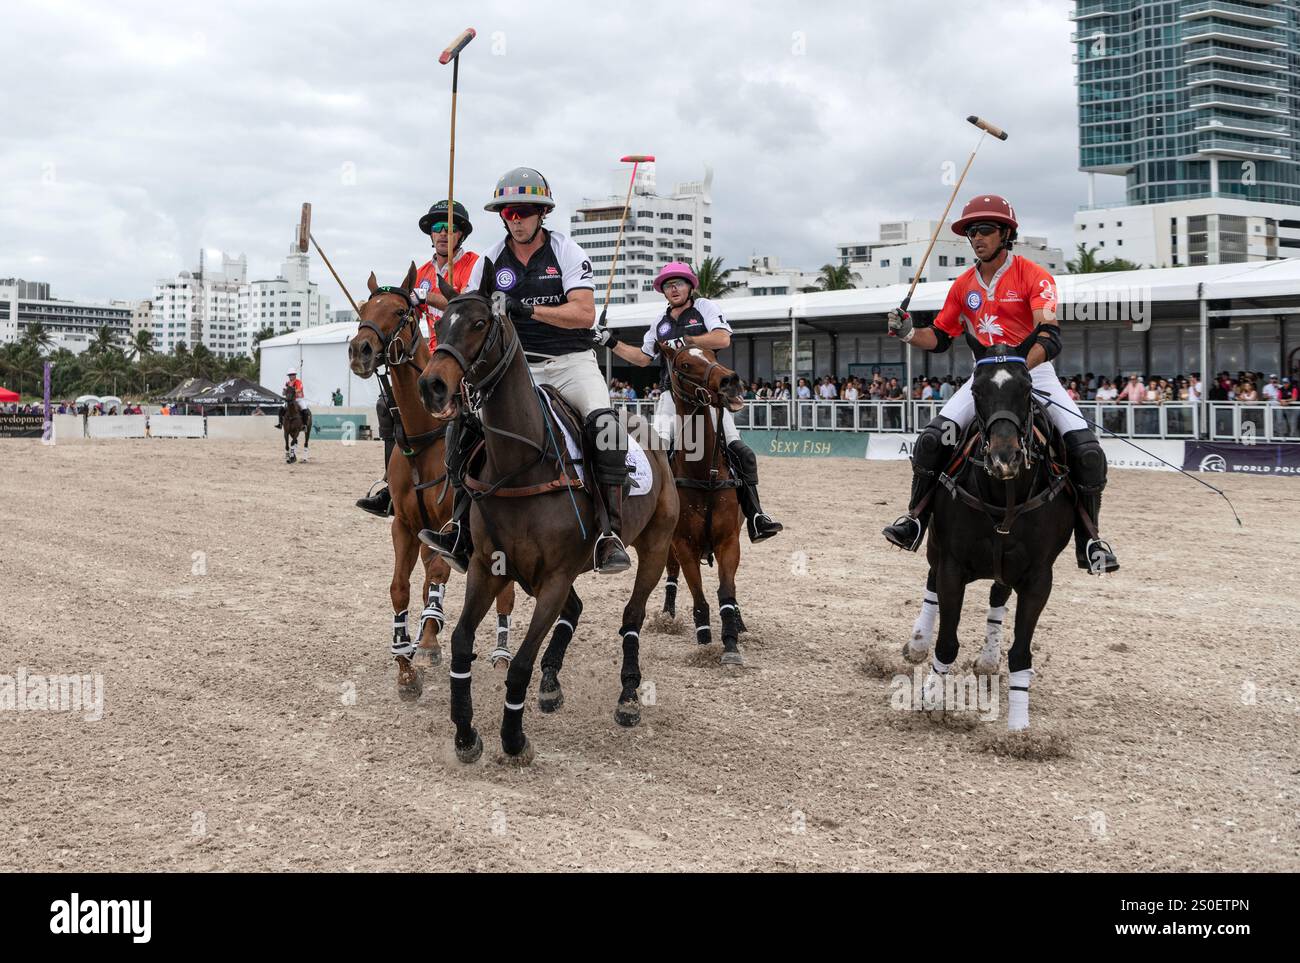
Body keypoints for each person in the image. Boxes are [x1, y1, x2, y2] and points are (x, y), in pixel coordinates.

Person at [881, 193, 1118, 574]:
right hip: (984, 379)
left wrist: (1017, 368)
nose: (977, 237)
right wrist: (909, 332)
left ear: (1005, 233)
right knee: (930, 441)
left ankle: (1090, 540)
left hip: (1033, 373)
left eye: (986, 230)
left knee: (1087, 451)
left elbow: (1049, 334)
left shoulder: (1033, 275)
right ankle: (916, 521)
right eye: (972, 232)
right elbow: (941, 337)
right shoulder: (962, 285)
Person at [423, 167, 632, 574]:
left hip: (571, 364)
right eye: (507, 213)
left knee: (604, 427)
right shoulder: (490, 262)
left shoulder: (567, 252)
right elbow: (469, 312)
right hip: (519, 370)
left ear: (541, 213)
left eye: (522, 211)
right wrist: (437, 297)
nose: (514, 219)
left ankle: (609, 534)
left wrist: (526, 309)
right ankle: (460, 530)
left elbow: (584, 314)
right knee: (465, 429)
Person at [596, 260, 783, 543]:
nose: (674, 289)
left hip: (707, 398)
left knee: (740, 452)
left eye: (679, 284)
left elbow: (722, 338)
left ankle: (756, 516)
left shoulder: (704, 308)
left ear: (690, 286)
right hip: (671, 397)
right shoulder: (659, 323)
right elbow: (643, 358)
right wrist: (611, 342)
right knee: (653, 453)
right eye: (669, 285)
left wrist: (687, 340)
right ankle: (647, 516)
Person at [356, 199, 480, 518]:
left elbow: (468, 307)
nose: (442, 233)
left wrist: (429, 296)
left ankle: (476, 486)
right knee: (390, 406)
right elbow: (407, 318)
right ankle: (391, 487)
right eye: (437, 228)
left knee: (474, 415)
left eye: (449, 228)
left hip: (467, 355)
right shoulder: (421, 272)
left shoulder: (474, 265)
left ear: (461, 233)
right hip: (432, 356)